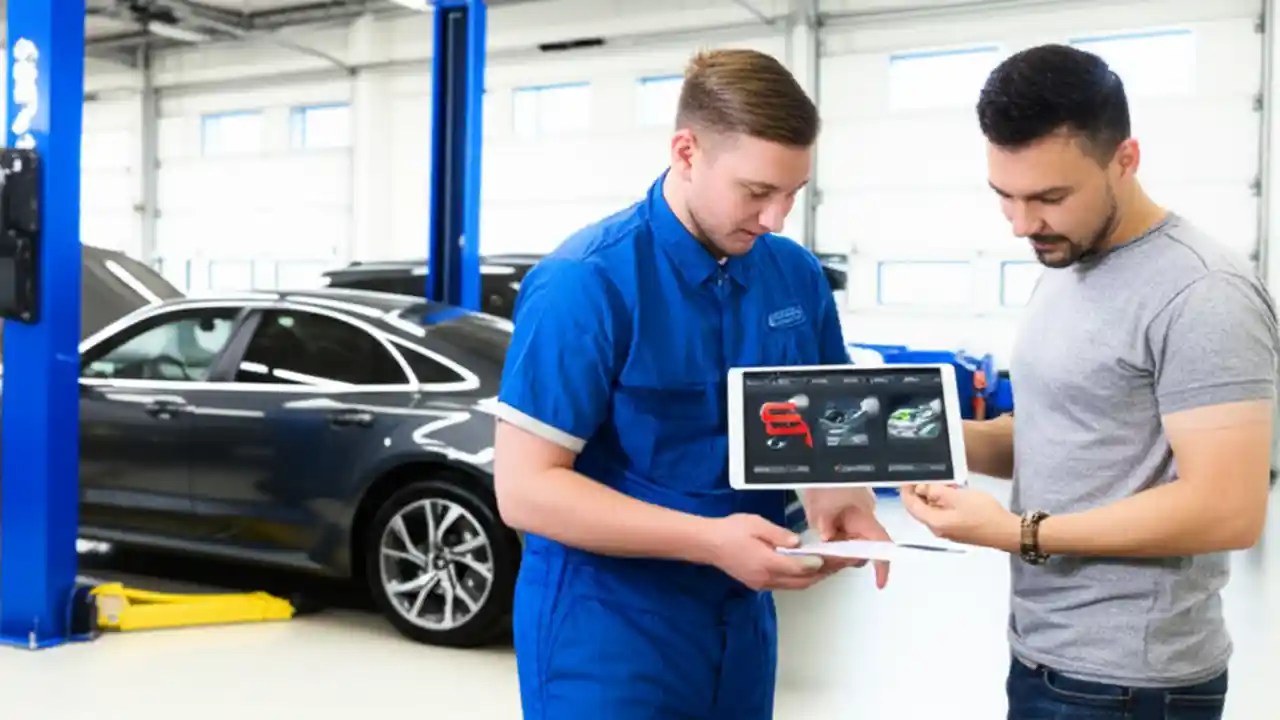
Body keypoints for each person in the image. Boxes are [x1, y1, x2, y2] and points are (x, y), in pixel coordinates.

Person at [491, 48, 891, 719]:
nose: (776, 219)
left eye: (793, 193)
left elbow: (826, 438)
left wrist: (843, 505)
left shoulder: (793, 276)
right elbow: (525, 490)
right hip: (607, 632)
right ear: (686, 151)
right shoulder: (586, 282)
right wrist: (709, 540)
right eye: (757, 191)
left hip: (741, 621)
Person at [900, 44, 1278, 719]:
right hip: (1046, 655)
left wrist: (1019, 532)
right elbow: (1064, 430)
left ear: (1125, 160)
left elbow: (1229, 508)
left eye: (1049, 197)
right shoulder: (1070, 263)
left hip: (1132, 684)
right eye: (1005, 197)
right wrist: (924, 441)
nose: (1022, 224)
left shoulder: (1202, 291)